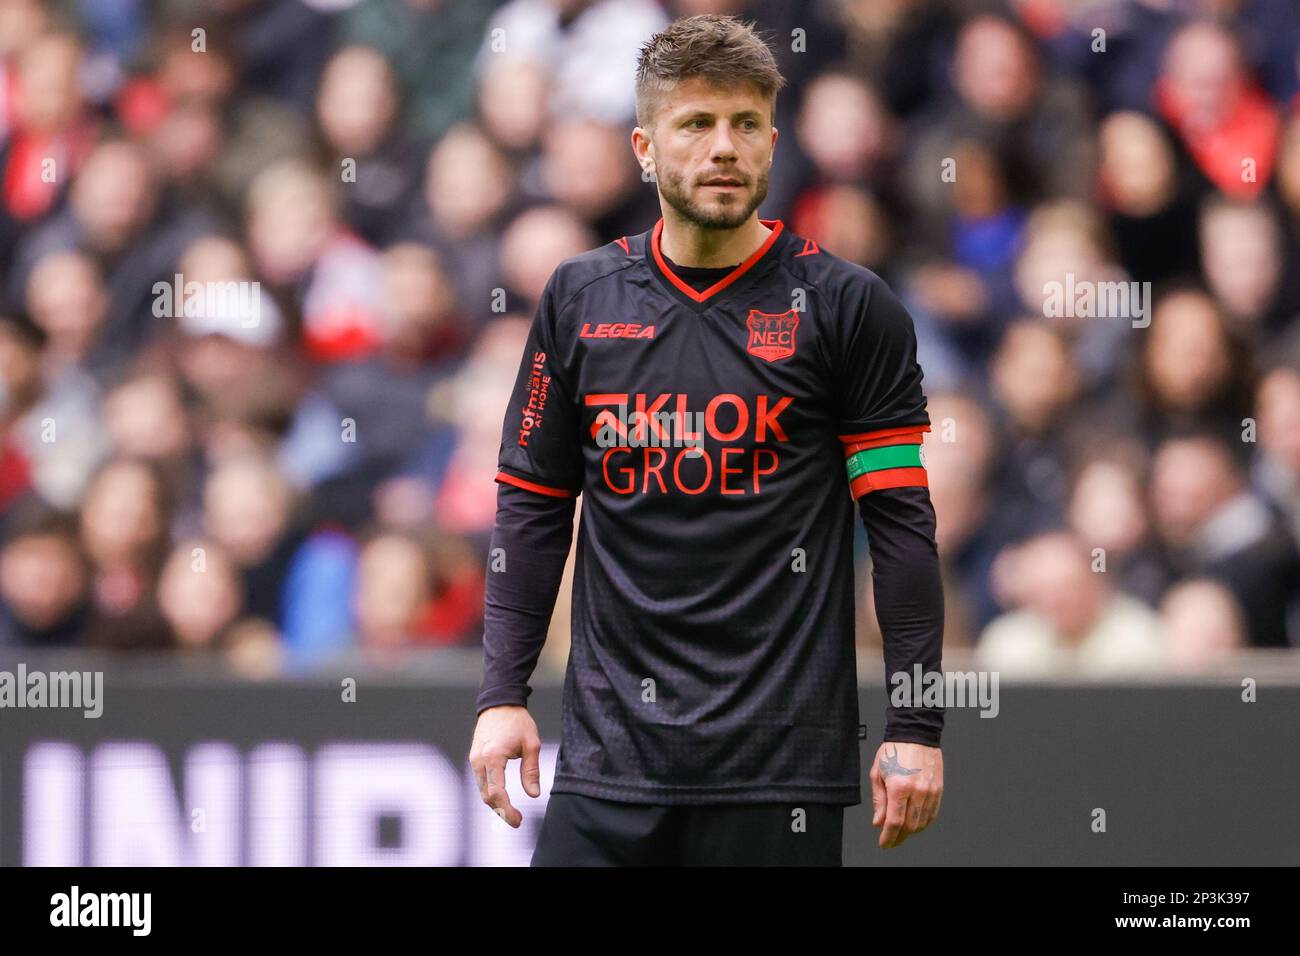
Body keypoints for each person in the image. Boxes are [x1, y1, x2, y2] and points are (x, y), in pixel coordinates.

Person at [468, 14, 945, 866]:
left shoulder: (846, 307)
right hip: (607, 766)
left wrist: (915, 724)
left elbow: (903, 526)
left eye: (745, 124)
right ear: (645, 149)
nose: (724, 147)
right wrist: (501, 695)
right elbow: (532, 511)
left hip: (779, 775)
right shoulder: (579, 299)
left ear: (771, 139)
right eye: (696, 124)